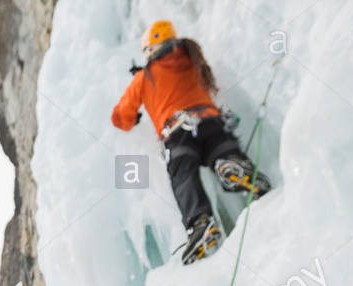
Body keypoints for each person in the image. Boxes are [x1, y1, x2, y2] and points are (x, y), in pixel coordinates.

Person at [112, 19, 272, 264]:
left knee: (183, 175)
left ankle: (201, 222)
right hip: (211, 122)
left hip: (178, 133)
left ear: (151, 49)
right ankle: (231, 165)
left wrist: (138, 105)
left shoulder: (145, 78)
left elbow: (120, 117)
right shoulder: (193, 59)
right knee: (222, 150)